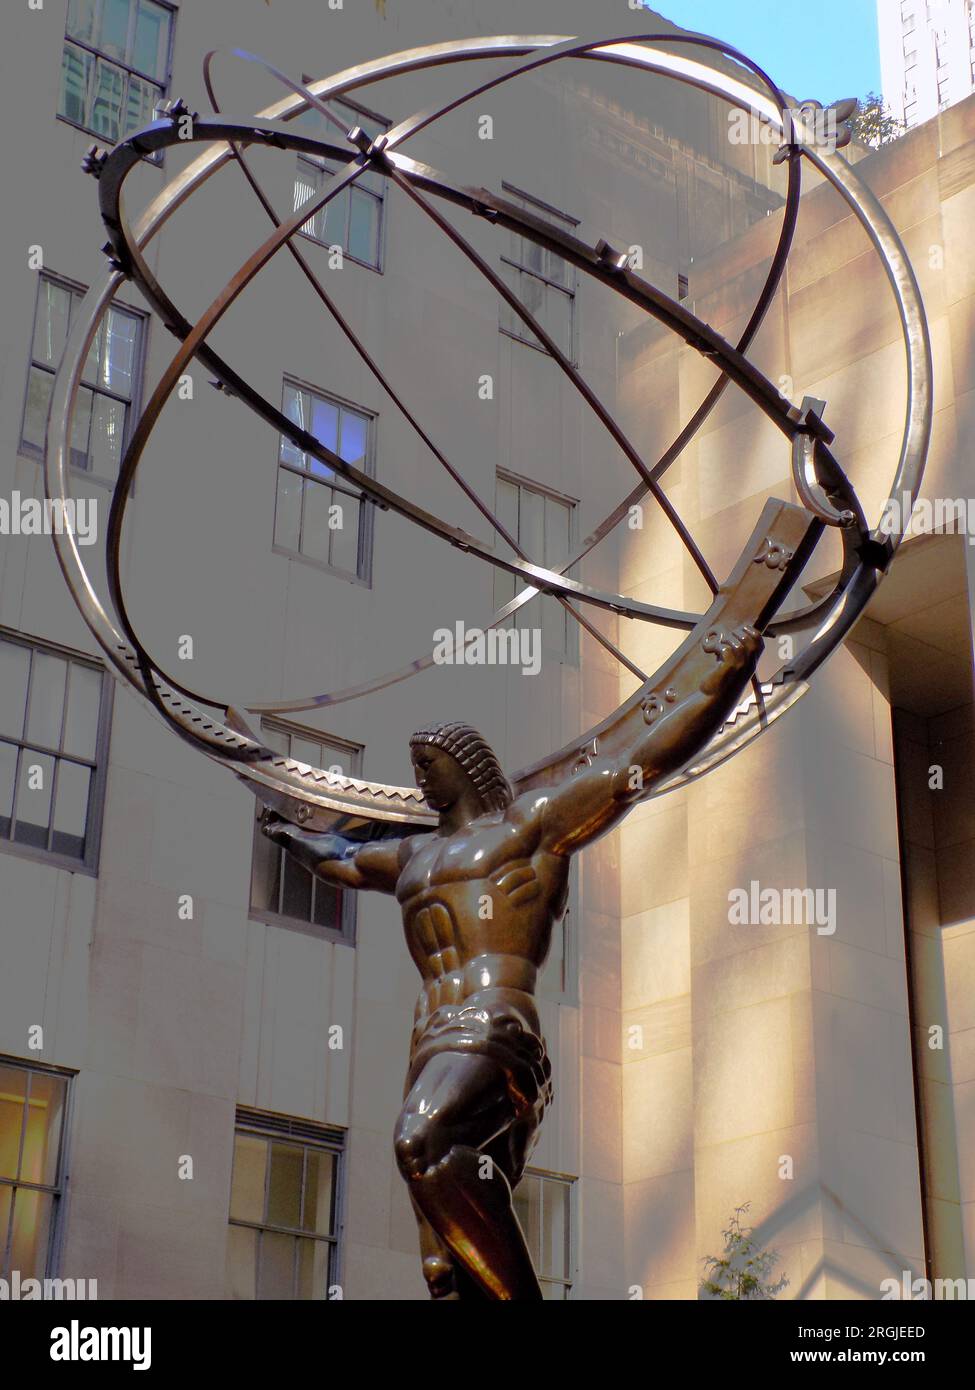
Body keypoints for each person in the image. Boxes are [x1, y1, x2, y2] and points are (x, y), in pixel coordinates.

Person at [262, 622, 761, 1299]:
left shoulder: (528, 828)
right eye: (415, 768)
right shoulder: (412, 857)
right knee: (443, 1269)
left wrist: (722, 679)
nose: (419, 779)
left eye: (428, 765)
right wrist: (279, 819)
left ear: (464, 766)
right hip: (432, 1040)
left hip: (496, 1026)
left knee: (420, 1142)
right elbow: (340, 860)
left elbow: (635, 767)